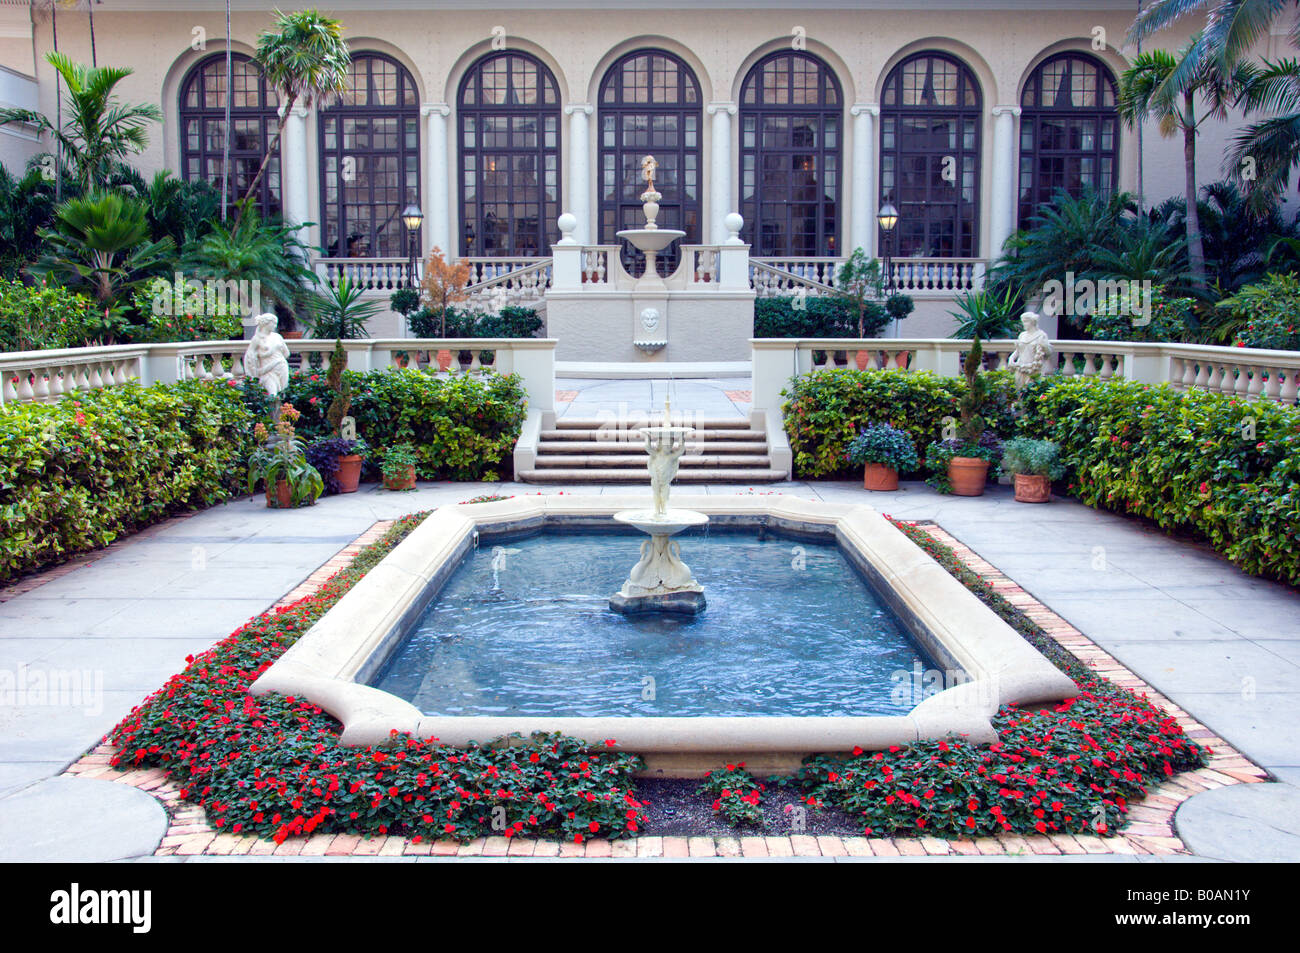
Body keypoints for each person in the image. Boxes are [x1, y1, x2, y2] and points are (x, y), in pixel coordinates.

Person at [1007, 311, 1054, 388]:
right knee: (1019, 393)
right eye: (1023, 322)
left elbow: (1048, 353)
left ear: (1032, 322)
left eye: (1025, 322)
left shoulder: (1041, 335)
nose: (1023, 324)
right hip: (1021, 369)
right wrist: (1011, 358)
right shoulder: (1022, 335)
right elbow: (1018, 351)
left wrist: (1044, 346)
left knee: (1032, 393)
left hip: (1034, 370)